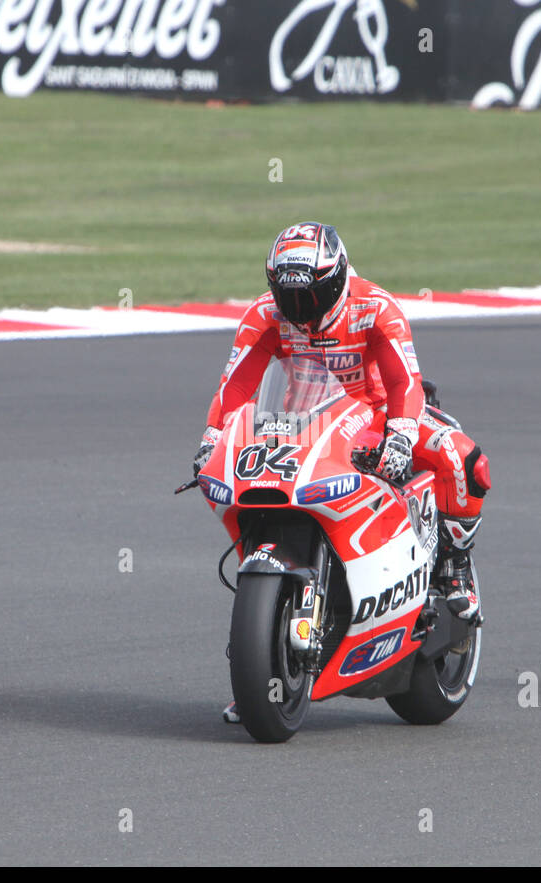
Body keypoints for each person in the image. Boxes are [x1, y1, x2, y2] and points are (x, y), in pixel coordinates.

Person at [193, 222, 492, 722]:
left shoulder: (375, 308)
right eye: (289, 298)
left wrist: (399, 435)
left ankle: (455, 566)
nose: (300, 311)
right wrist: (211, 439)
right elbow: (236, 388)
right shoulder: (264, 316)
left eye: (310, 297)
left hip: (375, 418)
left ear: (335, 282)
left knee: (463, 459)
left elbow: (405, 382)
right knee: (245, 489)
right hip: (297, 425)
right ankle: (260, 669)